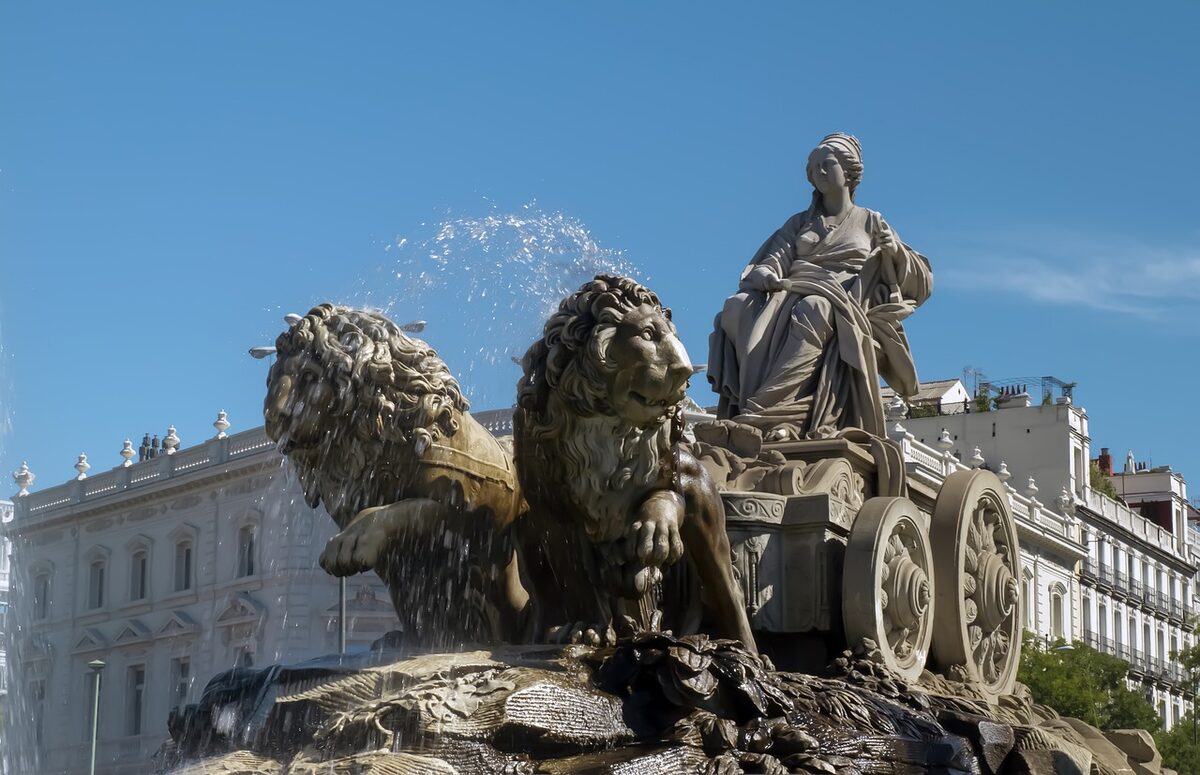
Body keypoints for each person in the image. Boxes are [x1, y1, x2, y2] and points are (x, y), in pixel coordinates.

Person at [708, 133, 932, 439]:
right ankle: (754, 405)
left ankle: (767, 412)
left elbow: (921, 281)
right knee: (736, 307)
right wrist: (767, 275)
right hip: (791, 289)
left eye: (827, 164)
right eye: (814, 166)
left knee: (814, 306)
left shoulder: (870, 221)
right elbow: (773, 259)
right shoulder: (799, 223)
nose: (819, 171)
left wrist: (894, 251)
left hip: (844, 299)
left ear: (850, 172)